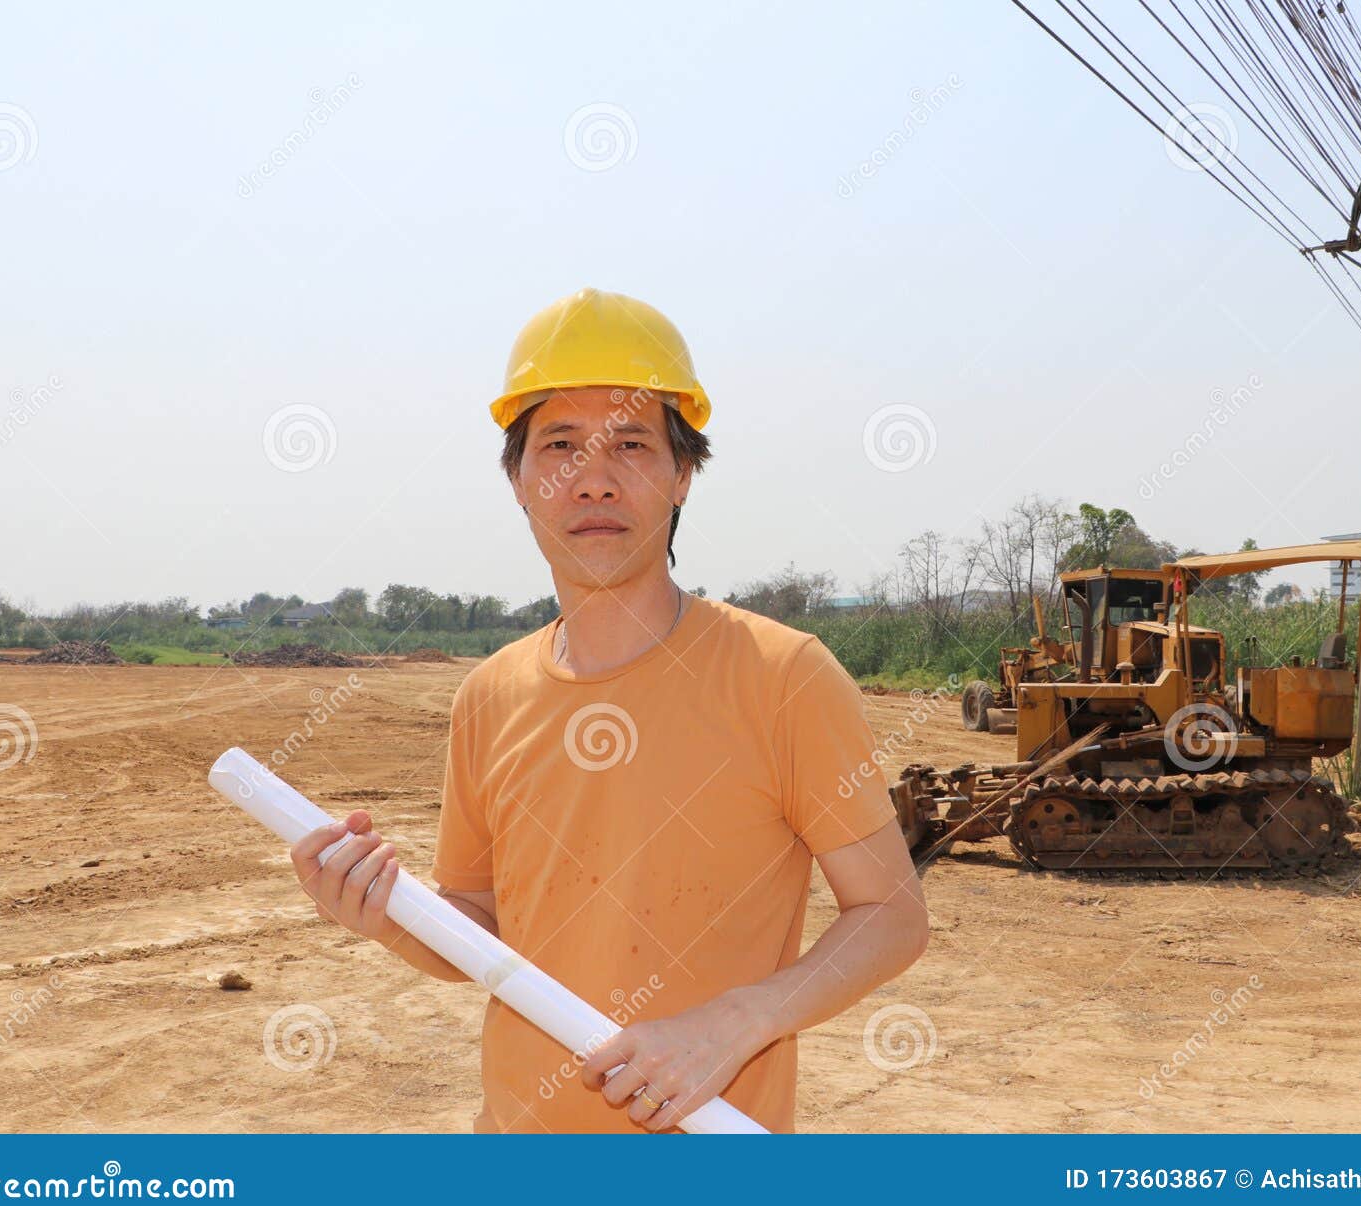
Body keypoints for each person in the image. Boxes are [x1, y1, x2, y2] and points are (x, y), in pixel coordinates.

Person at [291, 288, 928, 1133]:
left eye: (631, 444)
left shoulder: (783, 677)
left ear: (682, 476)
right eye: (559, 446)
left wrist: (733, 1024)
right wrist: (382, 912)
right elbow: (482, 927)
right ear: (519, 481)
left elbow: (891, 915)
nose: (594, 479)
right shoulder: (488, 696)